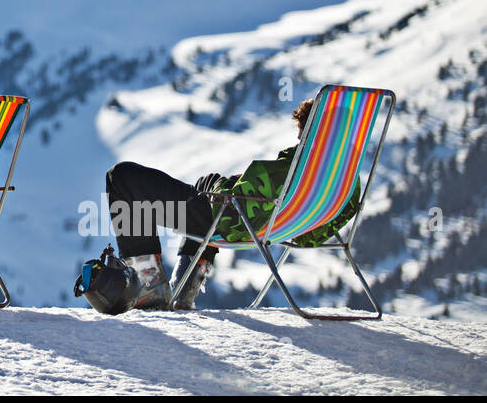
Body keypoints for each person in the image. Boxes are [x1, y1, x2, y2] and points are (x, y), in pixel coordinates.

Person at [103, 98, 350, 310]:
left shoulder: (294, 168)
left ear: (314, 132)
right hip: (271, 223)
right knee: (207, 181)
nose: (298, 139)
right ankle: (184, 290)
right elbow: (317, 230)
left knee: (121, 177)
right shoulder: (343, 177)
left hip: (228, 219)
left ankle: (149, 288)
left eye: (302, 133)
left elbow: (237, 205)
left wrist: (219, 188)